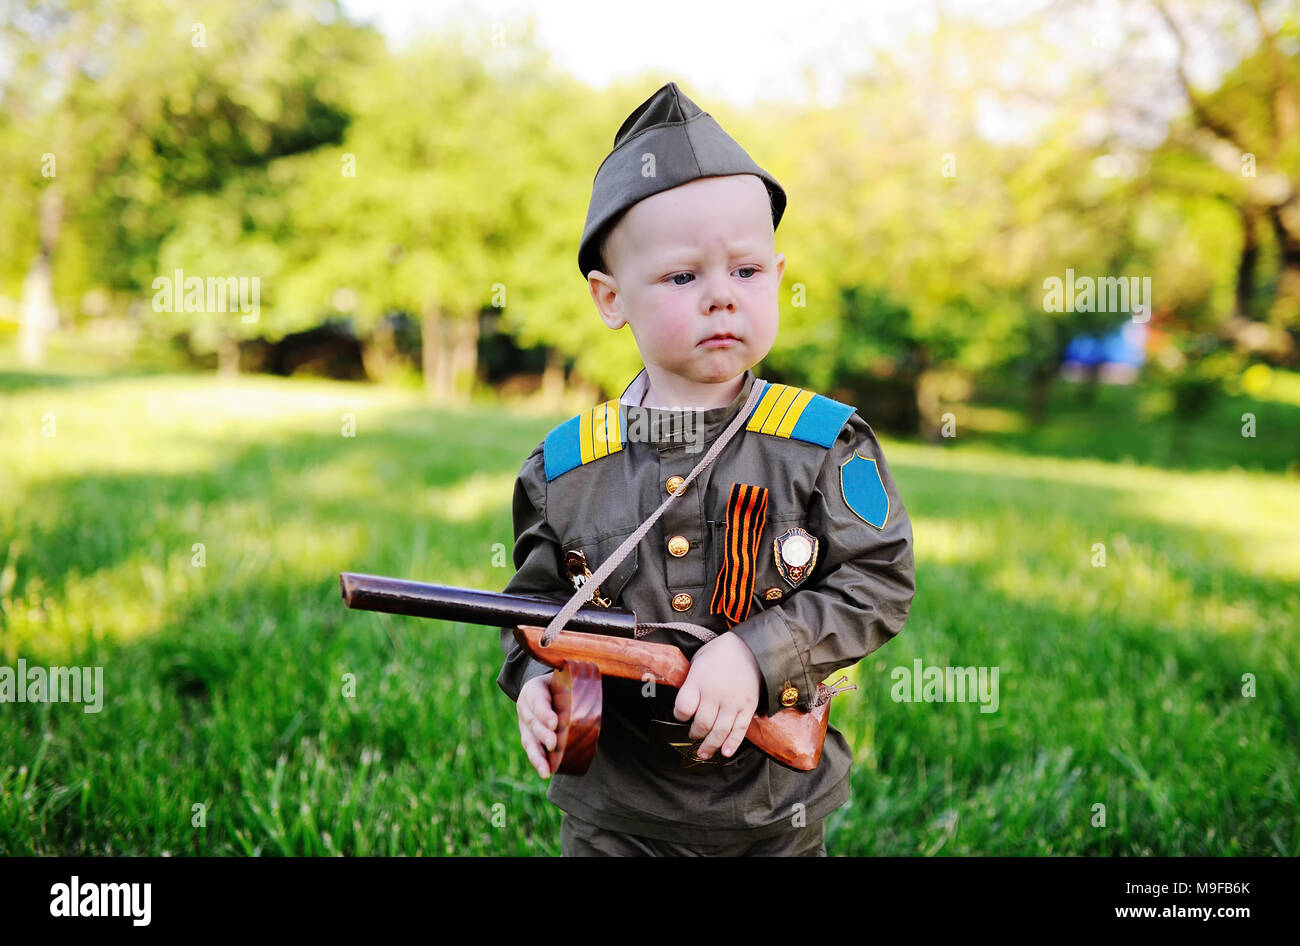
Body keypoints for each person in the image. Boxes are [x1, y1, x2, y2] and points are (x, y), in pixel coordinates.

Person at [496, 81, 915, 856]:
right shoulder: (563, 466)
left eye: (748, 272)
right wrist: (530, 684)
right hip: (616, 807)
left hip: (773, 806)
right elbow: (534, 606)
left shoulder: (824, 444)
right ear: (610, 298)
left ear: (779, 274)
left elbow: (878, 581)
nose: (722, 296)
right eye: (683, 277)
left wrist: (755, 654)